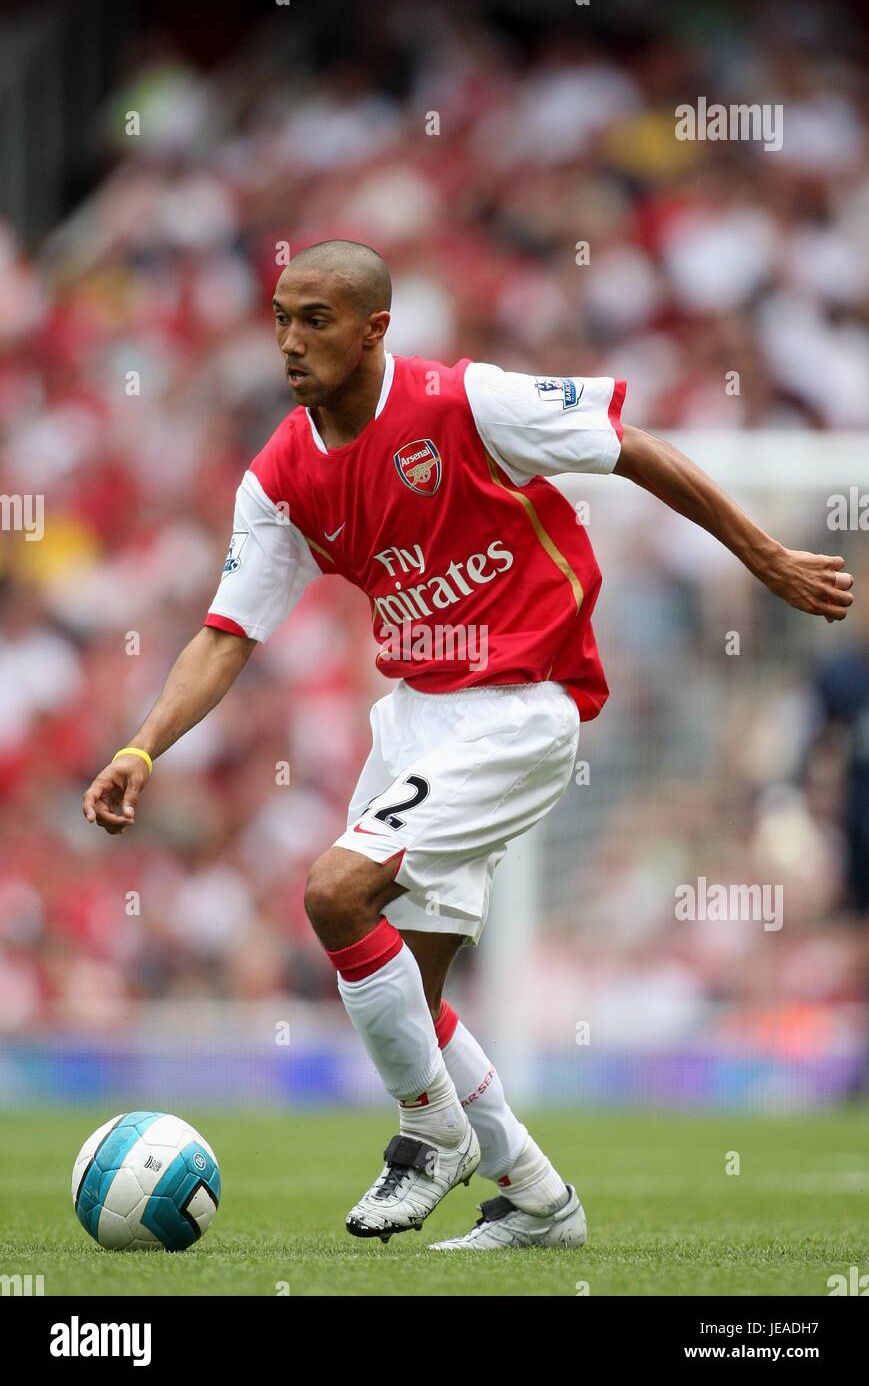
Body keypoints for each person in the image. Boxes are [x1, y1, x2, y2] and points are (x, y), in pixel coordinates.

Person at [83, 240, 855, 1250]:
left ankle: (427, 1136)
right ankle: (539, 1199)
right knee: (410, 984)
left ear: (374, 328)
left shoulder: (467, 404)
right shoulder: (278, 479)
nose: (289, 339)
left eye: (315, 318)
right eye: (279, 316)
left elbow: (627, 445)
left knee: (332, 893)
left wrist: (763, 556)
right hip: (416, 714)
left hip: (520, 704)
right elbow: (227, 632)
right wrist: (142, 747)